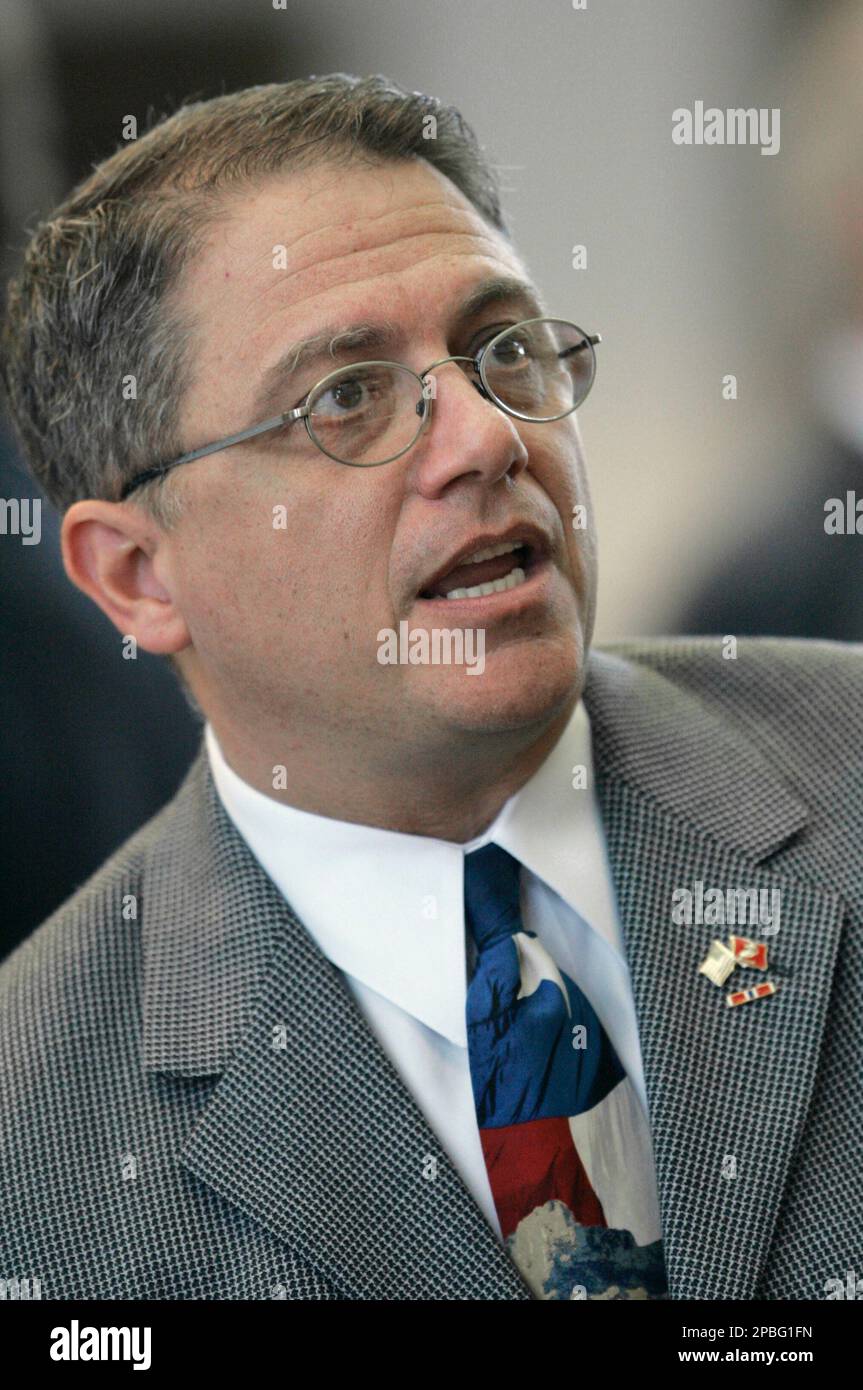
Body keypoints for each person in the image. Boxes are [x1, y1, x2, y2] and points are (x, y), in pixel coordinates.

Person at [0, 74, 859, 1302]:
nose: (486, 436)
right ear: (138, 574)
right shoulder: (33, 1161)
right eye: (345, 396)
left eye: (503, 351)